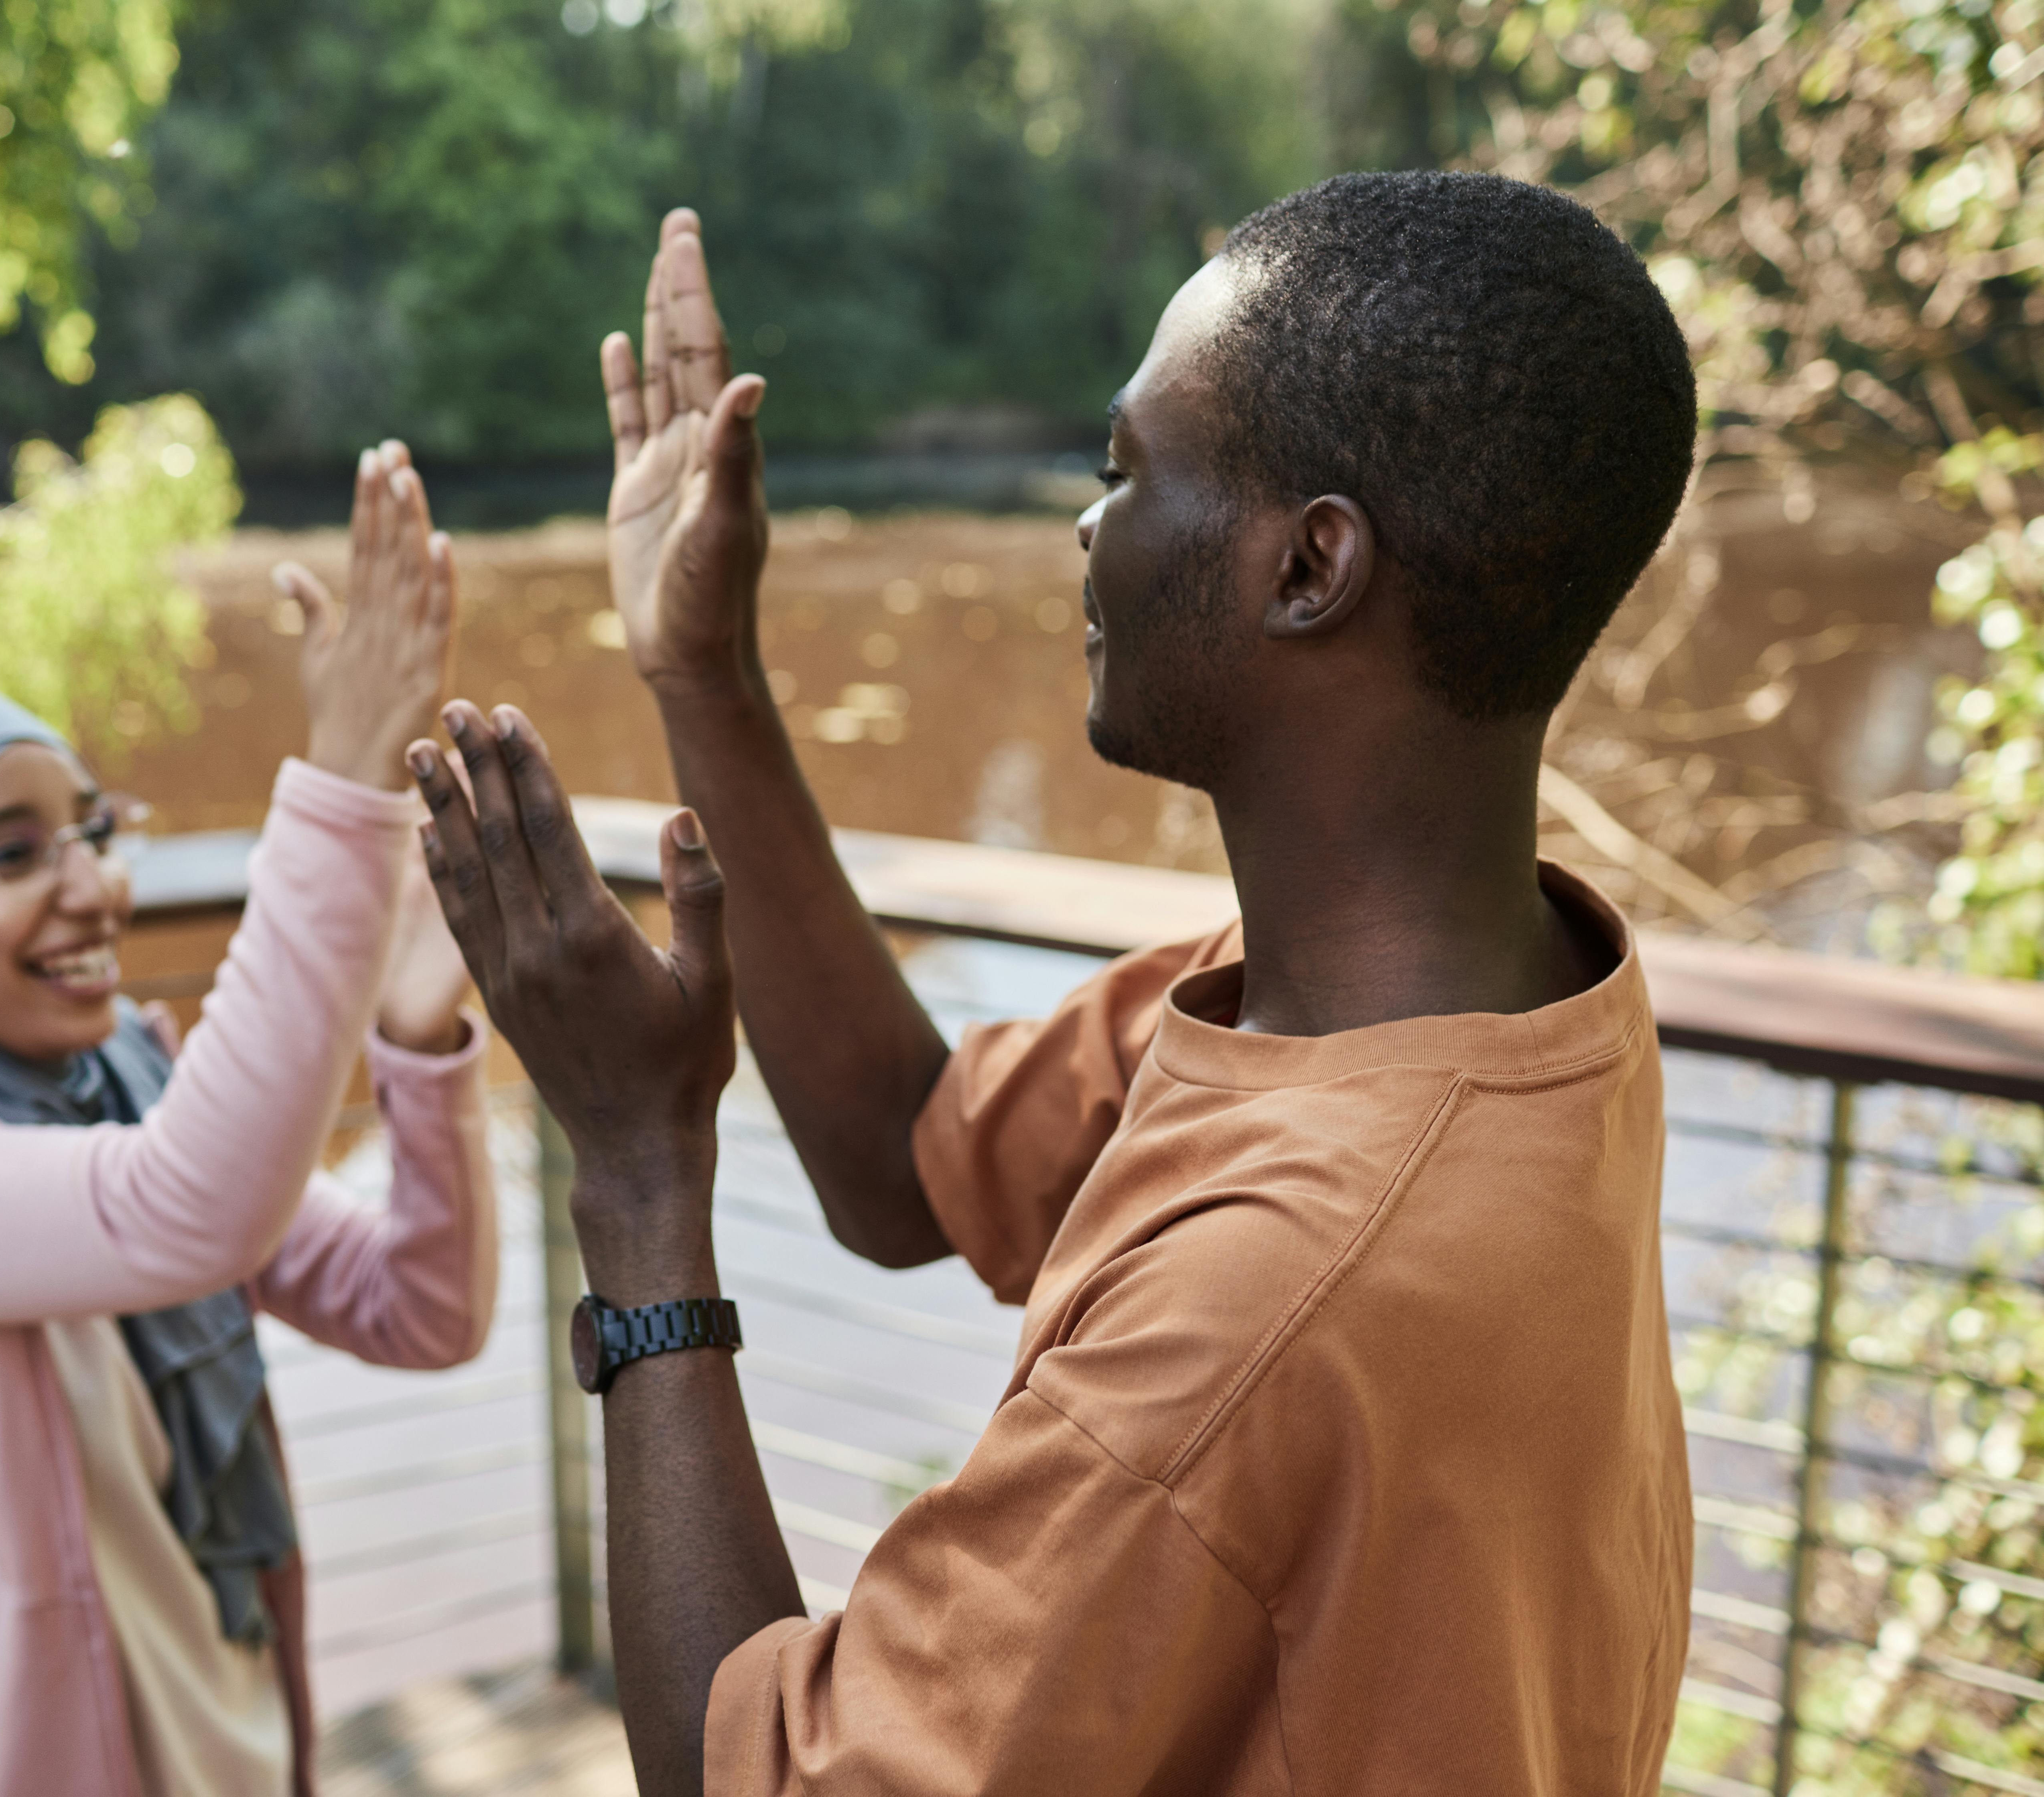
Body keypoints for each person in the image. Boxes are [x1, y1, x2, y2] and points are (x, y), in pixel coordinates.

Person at [408, 172, 1698, 1793]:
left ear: (1309, 567)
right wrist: (703, 668)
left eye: (1125, 470)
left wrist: (639, 1174)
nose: (1089, 527)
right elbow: (902, 1159)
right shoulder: (1508, 1004)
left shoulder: (1267, 1296)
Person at [0, 444, 496, 1797]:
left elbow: (417, 1307)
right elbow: (186, 1210)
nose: (91, 892)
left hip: (229, 1749)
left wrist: (418, 1041)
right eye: (9, 855)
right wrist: (344, 786)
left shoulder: (116, 1092)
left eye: (90, 831)